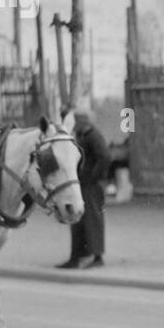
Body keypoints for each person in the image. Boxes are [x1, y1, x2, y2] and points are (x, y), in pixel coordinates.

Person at [58, 109, 110, 269]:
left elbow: (105, 157)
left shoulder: (92, 136)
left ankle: (96, 256)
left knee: (92, 220)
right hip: (83, 184)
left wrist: (94, 176)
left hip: (91, 186)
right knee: (79, 221)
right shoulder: (84, 135)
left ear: (82, 122)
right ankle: (78, 256)